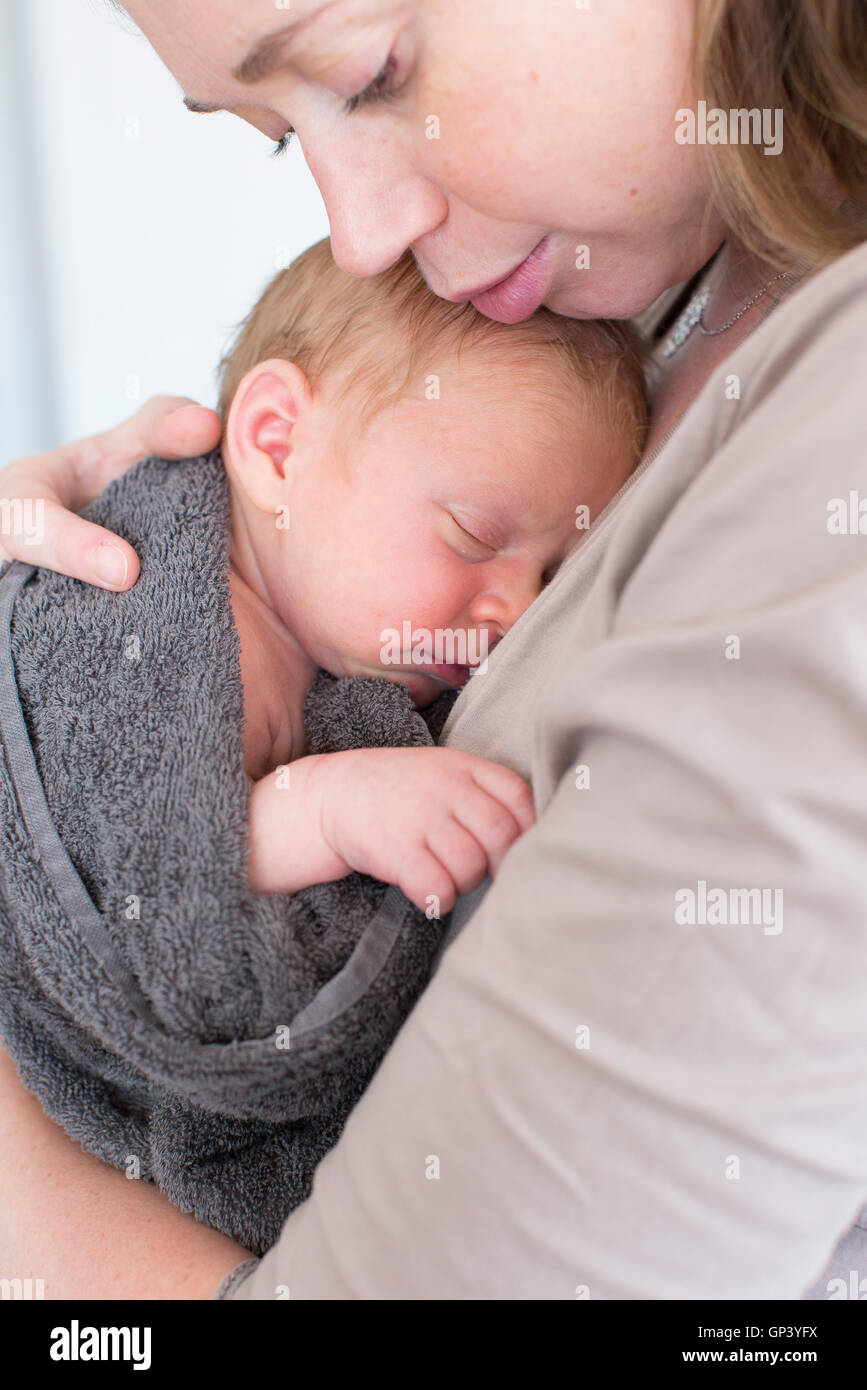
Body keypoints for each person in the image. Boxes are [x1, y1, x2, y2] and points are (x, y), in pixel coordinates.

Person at [0, 0, 865, 1299]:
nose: (357, 233)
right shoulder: (655, 278)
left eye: (371, 73)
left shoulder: (822, 466)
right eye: (275, 135)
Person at [0, 235, 644, 1255]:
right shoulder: (160, 614)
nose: (515, 610)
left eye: (553, 575)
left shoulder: (317, 643)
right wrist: (329, 810)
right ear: (276, 445)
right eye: (475, 536)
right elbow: (148, 869)